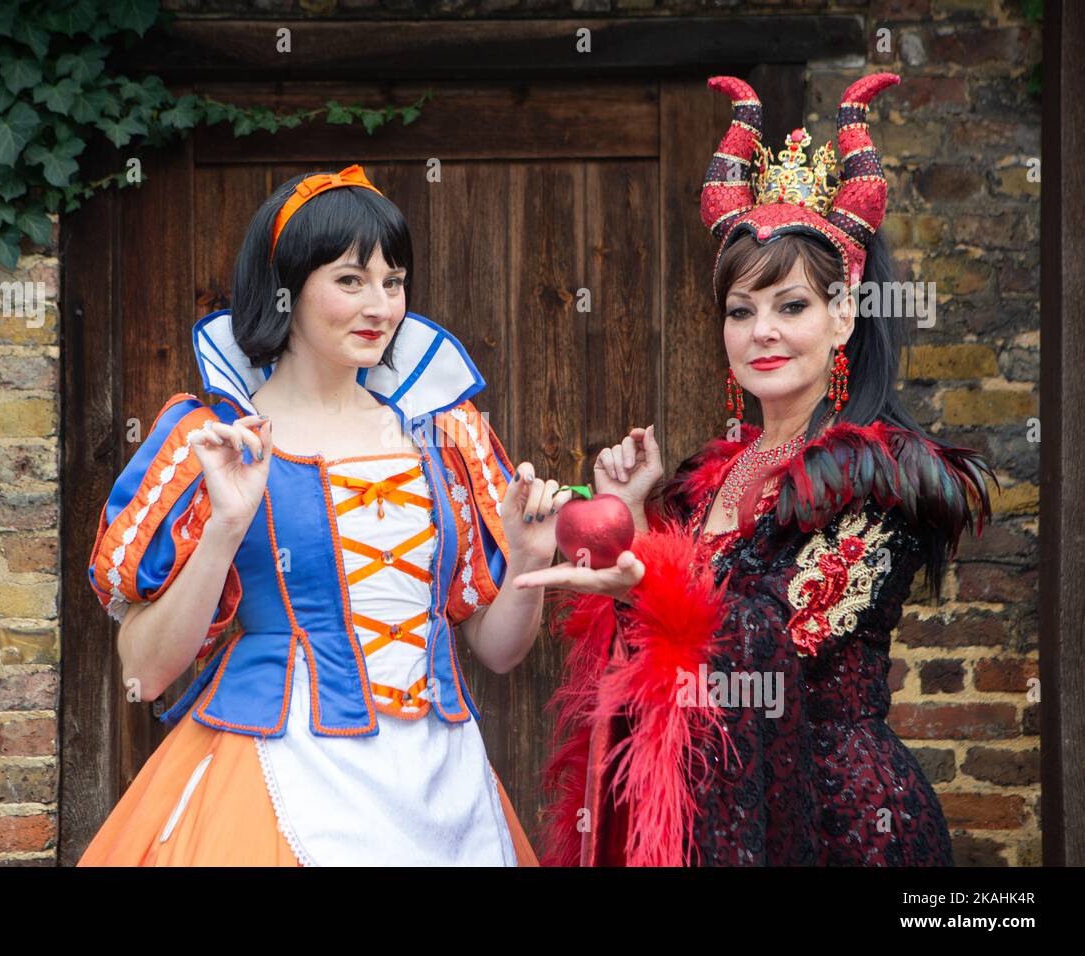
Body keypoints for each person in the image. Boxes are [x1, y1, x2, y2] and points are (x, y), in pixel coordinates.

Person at [513, 74, 995, 866]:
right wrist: (633, 514)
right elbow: (670, 664)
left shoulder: (881, 479)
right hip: (712, 809)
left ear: (844, 317)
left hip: (834, 817)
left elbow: (765, 645)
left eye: (792, 307)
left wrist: (641, 576)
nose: (762, 332)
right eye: (742, 311)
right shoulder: (711, 476)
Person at [79, 164, 569, 866]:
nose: (381, 306)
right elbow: (145, 673)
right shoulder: (216, 443)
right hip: (276, 773)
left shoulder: (447, 440)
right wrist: (222, 529)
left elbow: (496, 651)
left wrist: (528, 560)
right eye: (350, 280)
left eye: (393, 282)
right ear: (285, 290)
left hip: (444, 786)